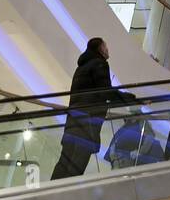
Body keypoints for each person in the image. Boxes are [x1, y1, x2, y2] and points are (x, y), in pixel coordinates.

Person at [51, 38, 137, 180]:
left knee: (63, 165)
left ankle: (48, 196)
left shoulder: (81, 68)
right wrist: (132, 99)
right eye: (106, 46)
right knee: (75, 171)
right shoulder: (100, 64)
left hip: (73, 124)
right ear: (100, 49)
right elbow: (106, 92)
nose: (108, 49)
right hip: (87, 125)